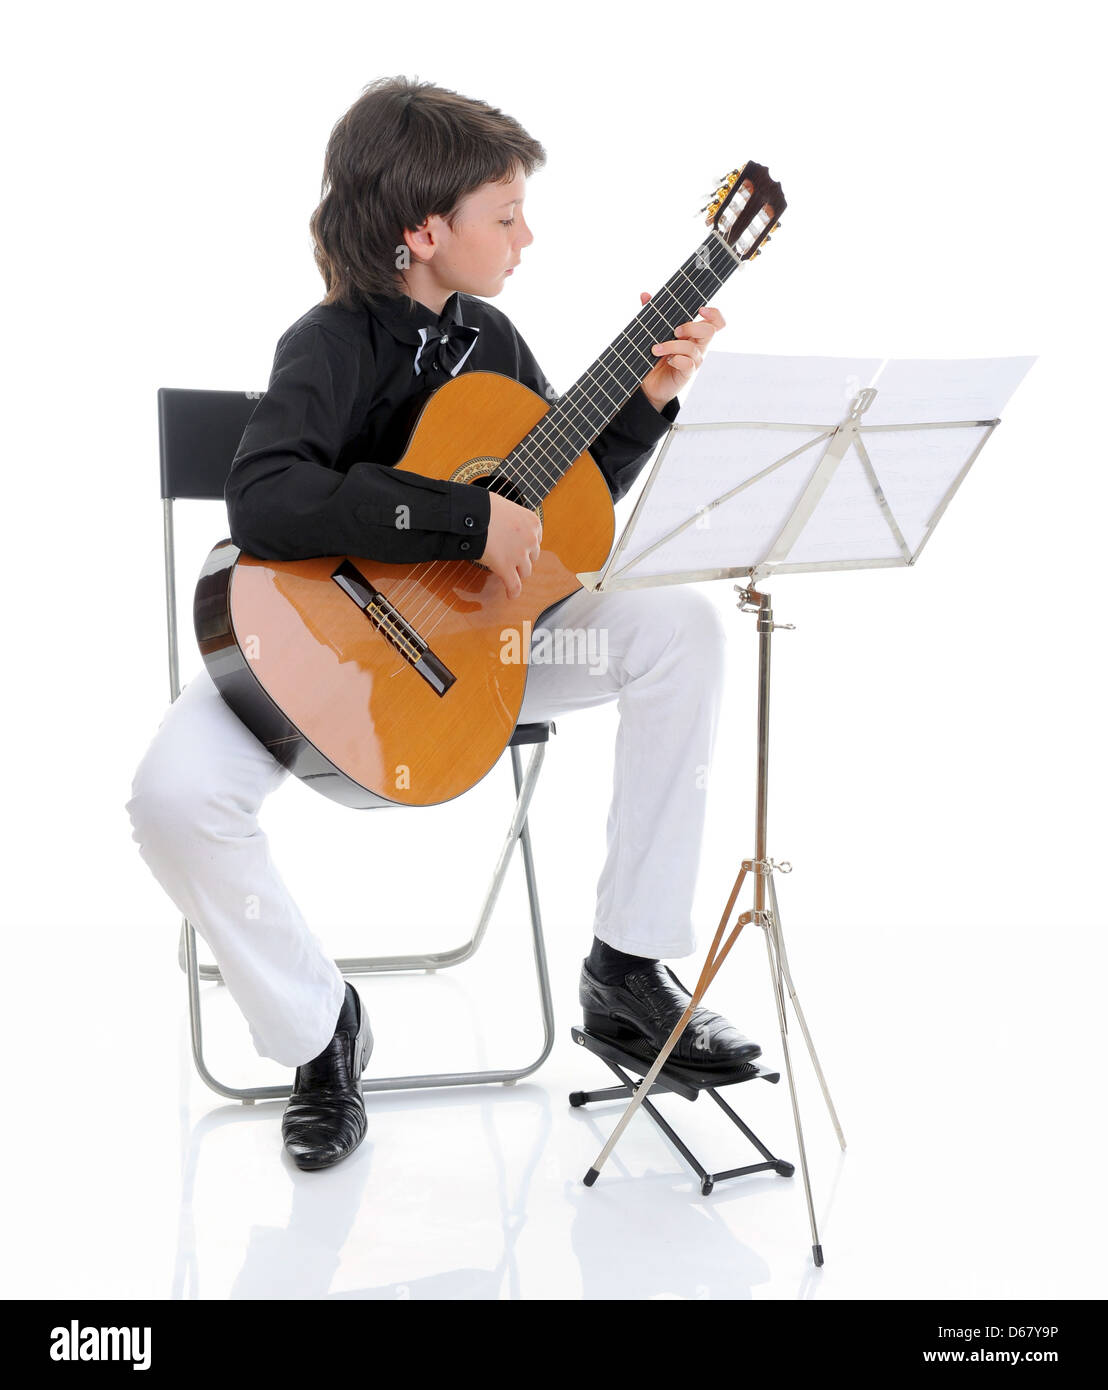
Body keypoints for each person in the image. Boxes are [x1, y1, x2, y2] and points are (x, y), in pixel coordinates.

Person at [126, 75, 761, 1173]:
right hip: (314, 645)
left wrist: (647, 402)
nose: (527, 236)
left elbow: (561, 511)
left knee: (680, 629)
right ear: (423, 231)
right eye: (504, 215)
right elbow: (266, 494)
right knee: (170, 797)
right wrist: (460, 517)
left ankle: (627, 968)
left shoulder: (494, 341)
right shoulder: (326, 343)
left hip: (485, 652)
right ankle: (320, 1031)